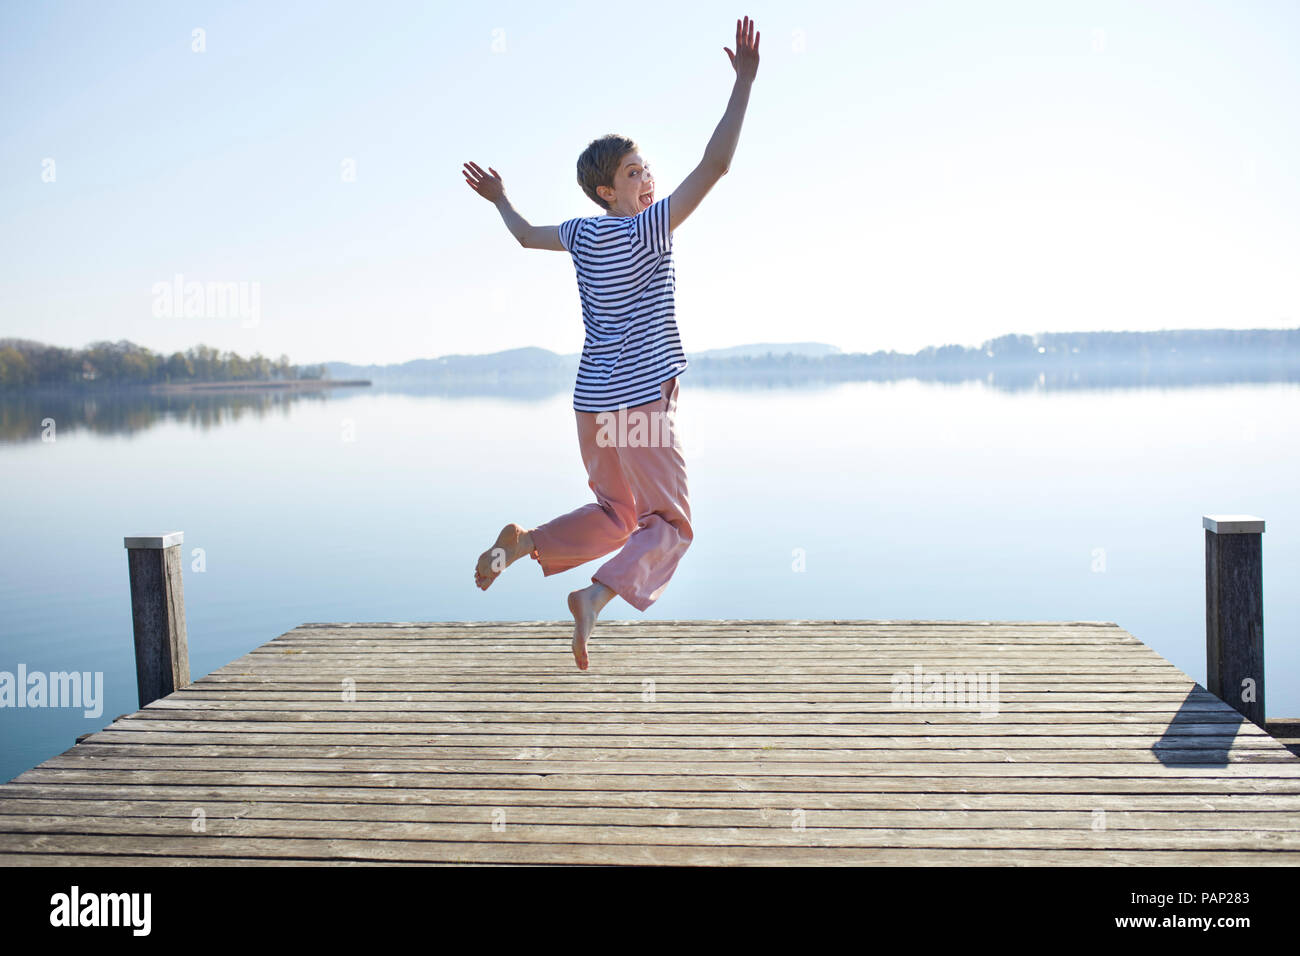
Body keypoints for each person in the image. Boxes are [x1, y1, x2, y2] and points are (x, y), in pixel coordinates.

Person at [462, 16, 760, 670]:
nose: (647, 178)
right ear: (608, 192)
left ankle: (524, 543)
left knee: (617, 513)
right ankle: (594, 600)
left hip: (592, 406)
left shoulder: (581, 234)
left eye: (645, 166)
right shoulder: (650, 228)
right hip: (639, 407)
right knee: (670, 526)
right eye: (633, 173)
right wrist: (743, 85)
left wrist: (501, 200)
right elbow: (716, 165)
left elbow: (522, 236)